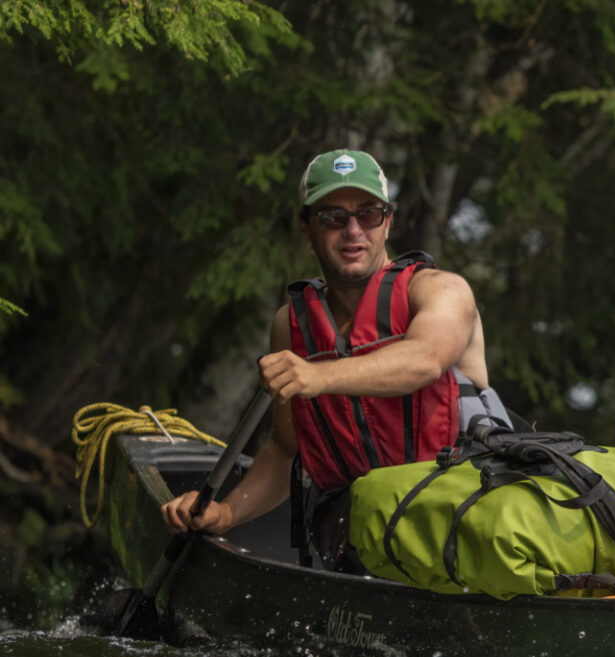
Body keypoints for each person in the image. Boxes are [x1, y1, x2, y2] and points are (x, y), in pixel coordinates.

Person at [161, 148, 516, 568]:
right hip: (358, 543)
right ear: (306, 228)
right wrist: (225, 513)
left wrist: (317, 376)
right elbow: (285, 449)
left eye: (368, 214)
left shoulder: (441, 291)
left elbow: (425, 360)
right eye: (332, 217)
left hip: (460, 529)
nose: (353, 231)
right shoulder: (289, 327)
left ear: (388, 222)